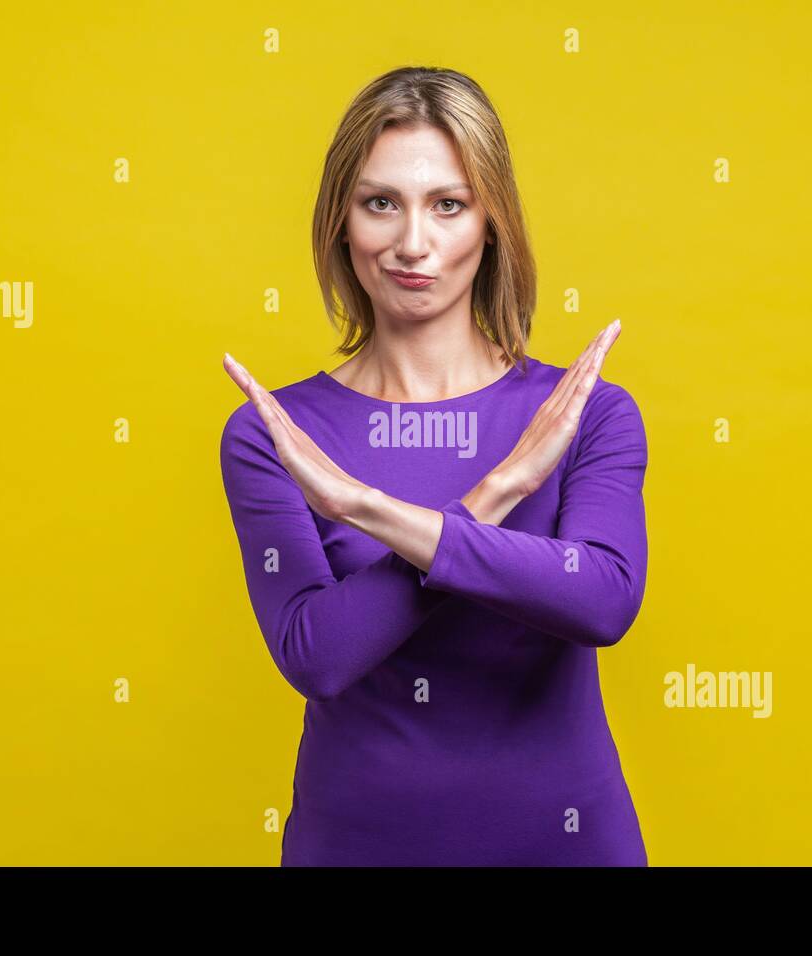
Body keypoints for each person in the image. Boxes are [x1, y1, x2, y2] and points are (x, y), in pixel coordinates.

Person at [219, 66, 649, 866]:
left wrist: (367, 510)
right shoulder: (277, 434)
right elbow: (319, 655)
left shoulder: (584, 414)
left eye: (448, 204)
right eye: (381, 203)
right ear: (340, 222)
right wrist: (495, 493)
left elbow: (603, 602)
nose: (412, 243)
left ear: (492, 224)